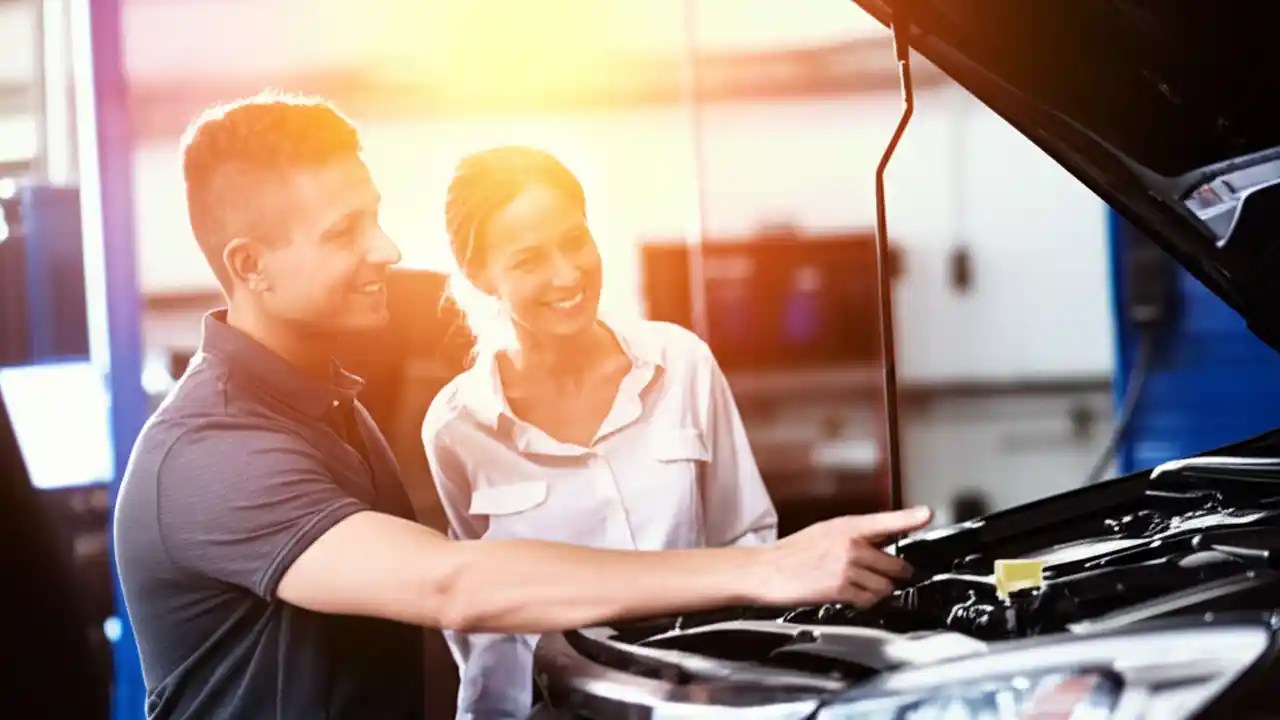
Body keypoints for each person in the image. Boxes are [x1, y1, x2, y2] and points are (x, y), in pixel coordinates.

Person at [112, 92, 933, 720]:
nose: (387, 251)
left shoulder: (330, 410)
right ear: (250, 266)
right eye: (343, 232)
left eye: (375, 218)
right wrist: (765, 568)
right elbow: (454, 587)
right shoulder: (212, 455)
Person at [423, 145, 780, 718]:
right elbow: (485, 615)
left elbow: (746, 540)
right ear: (479, 275)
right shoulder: (457, 427)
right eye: (528, 260)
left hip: (693, 702)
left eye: (575, 240)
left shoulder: (681, 363)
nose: (567, 274)